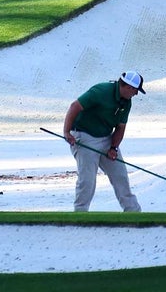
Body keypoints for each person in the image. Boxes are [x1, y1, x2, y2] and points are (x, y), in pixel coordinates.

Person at [62, 71, 145, 212]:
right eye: (136, 90)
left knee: (120, 176)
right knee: (87, 180)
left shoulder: (127, 102)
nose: (136, 94)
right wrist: (66, 132)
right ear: (129, 87)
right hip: (84, 136)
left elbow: (120, 128)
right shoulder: (101, 91)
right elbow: (74, 106)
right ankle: (80, 213)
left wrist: (113, 148)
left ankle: (133, 212)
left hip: (106, 138)